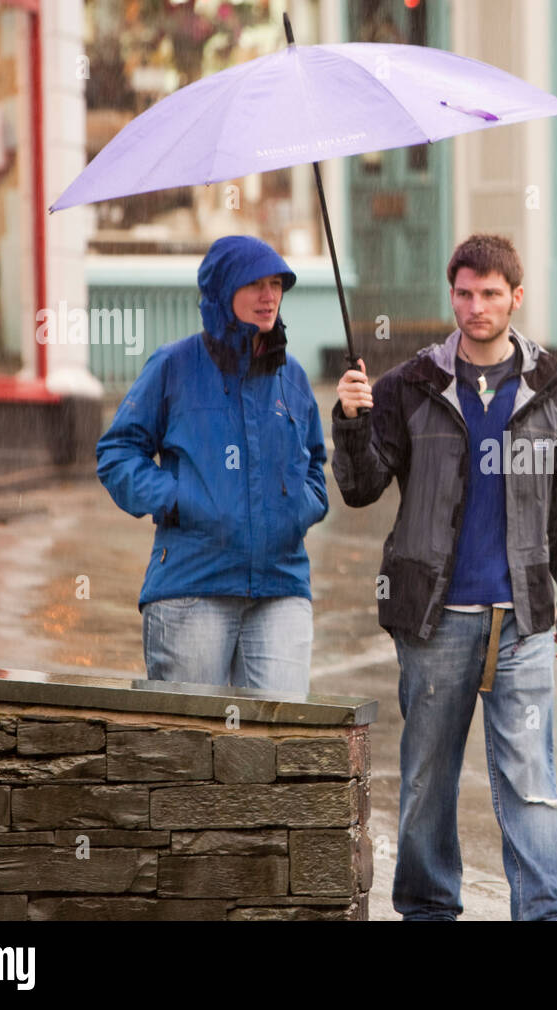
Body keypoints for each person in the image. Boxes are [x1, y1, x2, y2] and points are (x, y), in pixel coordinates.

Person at [331, 233, 557, 921]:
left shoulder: (555, 393)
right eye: (464, 293)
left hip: (524, 623)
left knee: (532, 781)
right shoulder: (405, 387)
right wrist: (352, 424)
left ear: (516, 297)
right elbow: (360, 490)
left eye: (490, 294)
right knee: (425, 780)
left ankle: (548, 913)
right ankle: (426, 909)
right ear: (452, 295)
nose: (475, 307)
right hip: (434, 619)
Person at [96, 235, 328, 695]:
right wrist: (178, 499)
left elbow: (316, 467)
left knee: (277, 747)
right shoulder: (175, 365)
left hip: (280, 587)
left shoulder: (293, 376)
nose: (269, 296)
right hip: (191, 585)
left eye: (277, 284)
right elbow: (118, 452)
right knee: (192, 752)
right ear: (223, 291)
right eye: (255, 284)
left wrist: (297, 511)